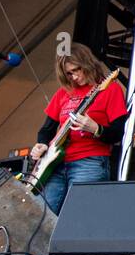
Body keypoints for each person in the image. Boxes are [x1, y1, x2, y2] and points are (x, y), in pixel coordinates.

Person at [31, 43, 127, 214]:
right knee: (40, 216)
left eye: (77, 70)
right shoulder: (63, 93)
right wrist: (42, 144)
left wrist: (96, 128)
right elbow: (46, 130)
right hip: (56, 163)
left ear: (87, 64)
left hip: (89, 162)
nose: (74, 77)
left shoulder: (110, 89)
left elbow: (119, 132)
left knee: (77, 216)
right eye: (69, 73)